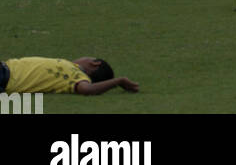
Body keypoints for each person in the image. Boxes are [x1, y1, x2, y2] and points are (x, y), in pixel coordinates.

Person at [0, 56, 138, 96]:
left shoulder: (77, 75)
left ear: (94, 63)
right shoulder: (71, 71)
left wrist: (119, 81)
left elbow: (87, 89)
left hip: (5, 76)